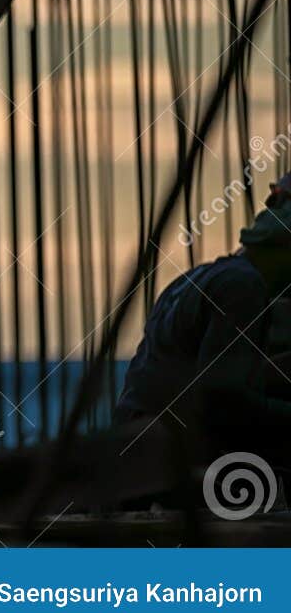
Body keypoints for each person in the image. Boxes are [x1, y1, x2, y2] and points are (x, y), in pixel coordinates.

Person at [116, 172, 291, 458]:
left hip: (137, 452)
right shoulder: (242, 288)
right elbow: (222, 400)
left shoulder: (199, 279)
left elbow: (204, 377)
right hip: (166, 467)